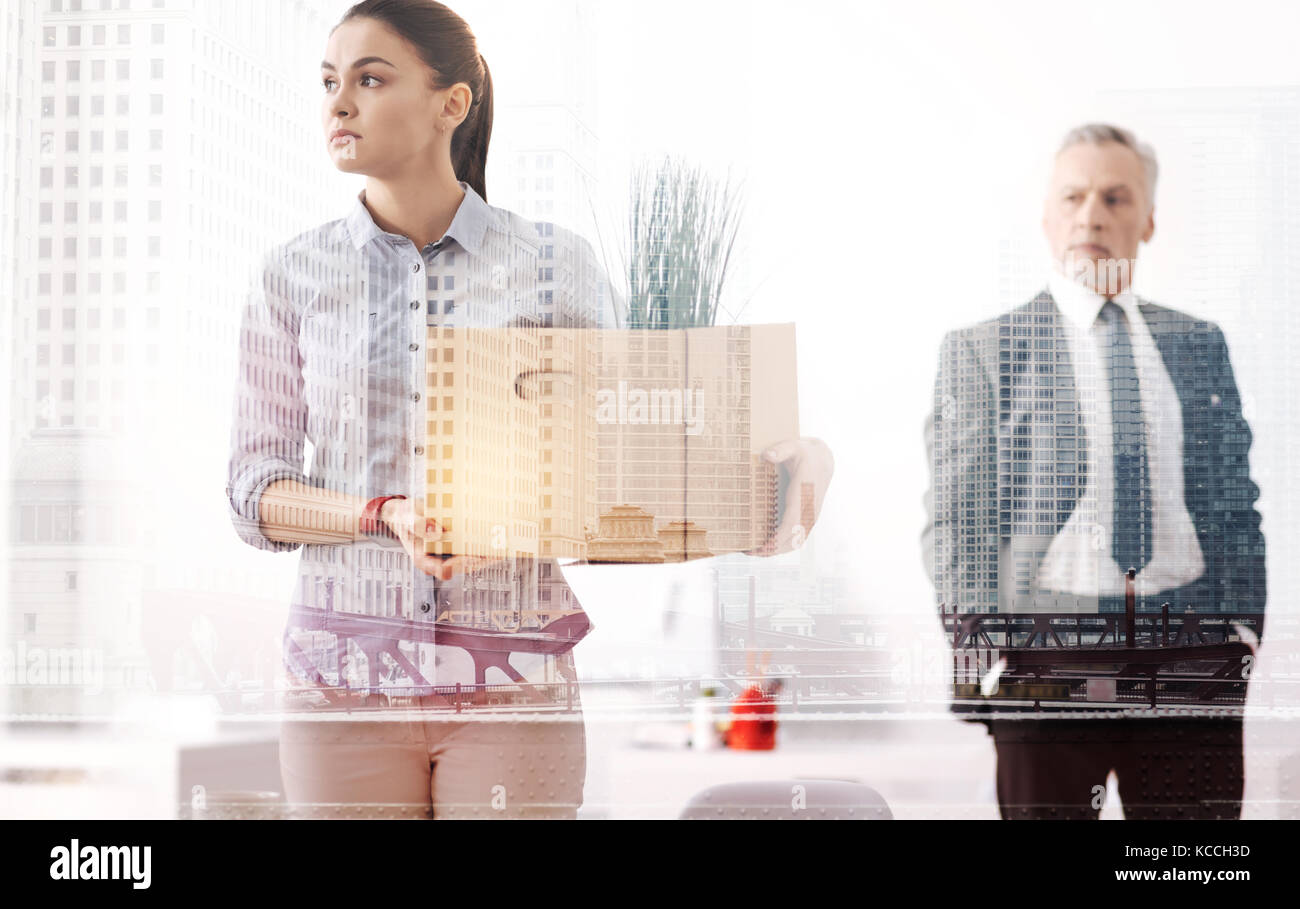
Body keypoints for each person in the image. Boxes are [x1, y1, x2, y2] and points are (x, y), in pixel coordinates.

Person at [226, 0, 832, 819]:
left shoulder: (553, 265)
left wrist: (768, 481)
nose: (338, 103)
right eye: (331, 81)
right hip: (342, 689)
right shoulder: (290, 276)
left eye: (370, 79)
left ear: (452, 103)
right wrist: (385, 514)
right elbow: (254, 492)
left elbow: (620, 473)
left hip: (513, 684)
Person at [922, 123, 1266, 819]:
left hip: (1189, 659)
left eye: (1115, 197)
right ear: (1048, 219)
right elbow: (958, 522)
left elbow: (1235, 504)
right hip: (1047, 664)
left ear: (1147, 221)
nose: (1092, 215)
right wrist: (988, 654)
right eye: (1074, 197)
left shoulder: (1199, 343)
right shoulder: (985, 352)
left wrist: (1240, 638)